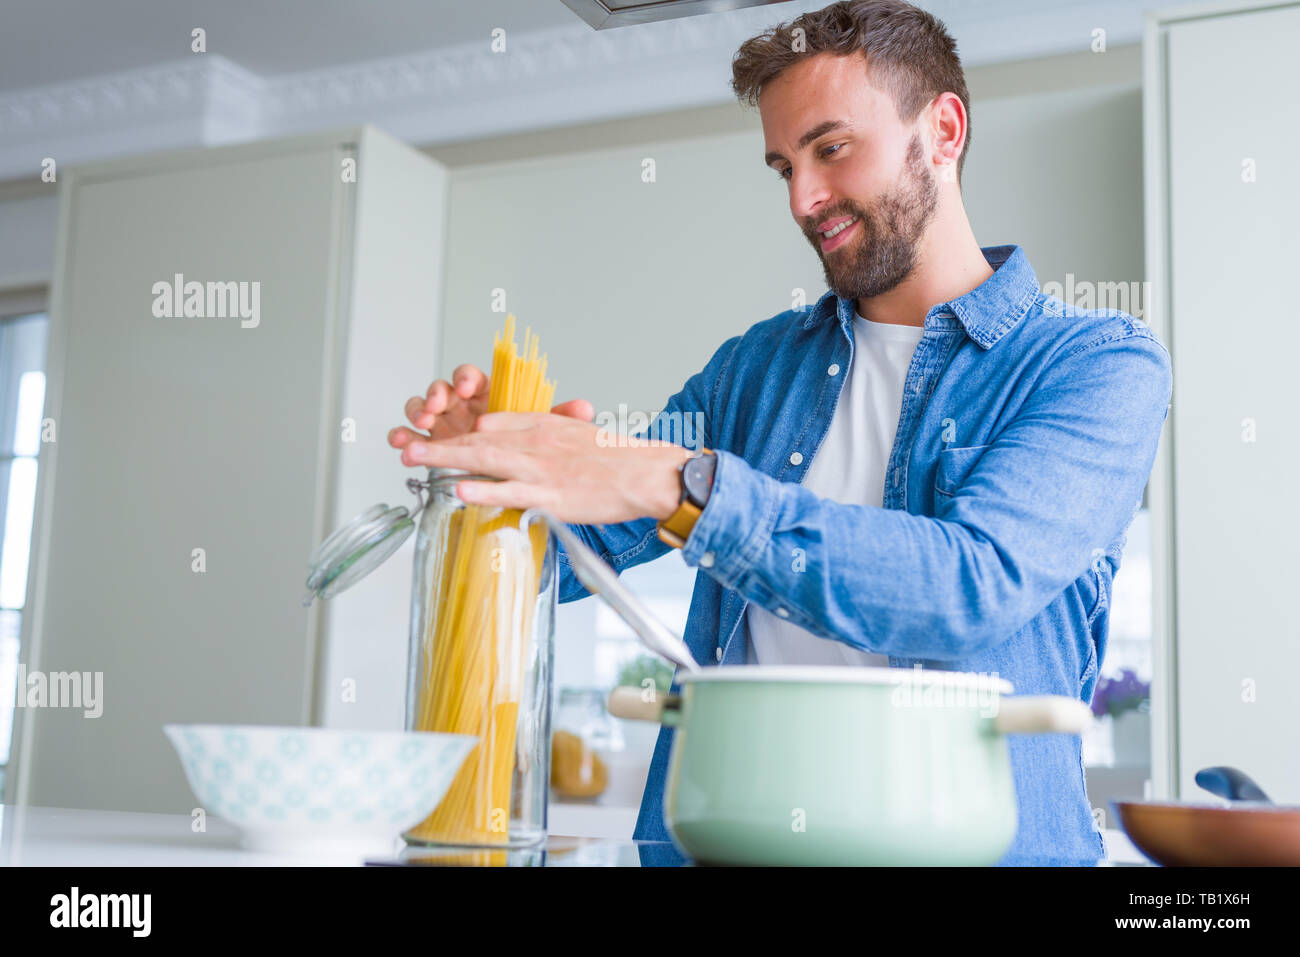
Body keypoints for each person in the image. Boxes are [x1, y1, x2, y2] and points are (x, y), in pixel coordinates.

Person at [387, 0, 1172, 865]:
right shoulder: (750, 371)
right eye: (782, 166)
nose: (803, 198)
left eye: (831, 149)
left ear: (943, 130)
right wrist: (491, 482)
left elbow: (968, 587)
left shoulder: (1095, 362)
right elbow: (572, 560)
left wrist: (677, 482)